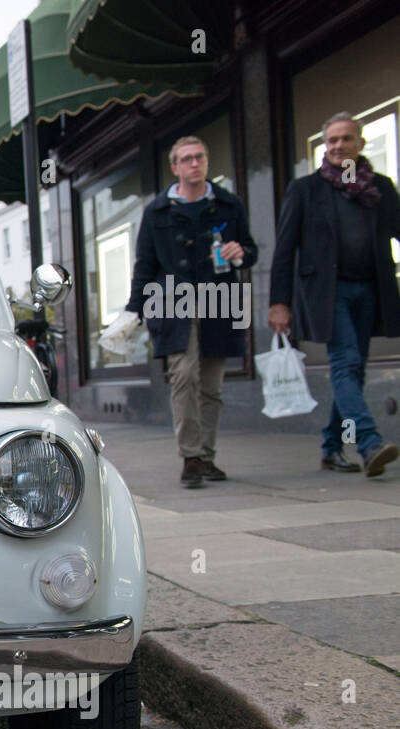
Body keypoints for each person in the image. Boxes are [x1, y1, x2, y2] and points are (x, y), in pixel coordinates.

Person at [268, 112, 400, 477]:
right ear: (325, 146)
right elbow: (284, 249)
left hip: (369, 289)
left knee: (354, 369)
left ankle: (331, 446)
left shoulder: (381, 188)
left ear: (360, 143)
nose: (339, 145)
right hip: (326, 292)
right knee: (345, 361)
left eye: (346, 139)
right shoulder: (306, 189)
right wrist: (279, 302)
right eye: (332, 140)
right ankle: (369, 442)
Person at [126, 135, 258, 488]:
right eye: (186, 159)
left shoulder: (229, 205)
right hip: (172, 302)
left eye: (199, 157)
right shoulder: (156, 211)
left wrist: (239, 253)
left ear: (207, 161)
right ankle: (190, 457)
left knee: (212, 384)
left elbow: (252, 251)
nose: (194, 164)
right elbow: (145, 264)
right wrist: (133, 309)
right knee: (184, 375)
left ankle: (207, 457)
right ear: (175, 167)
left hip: (220, 300)